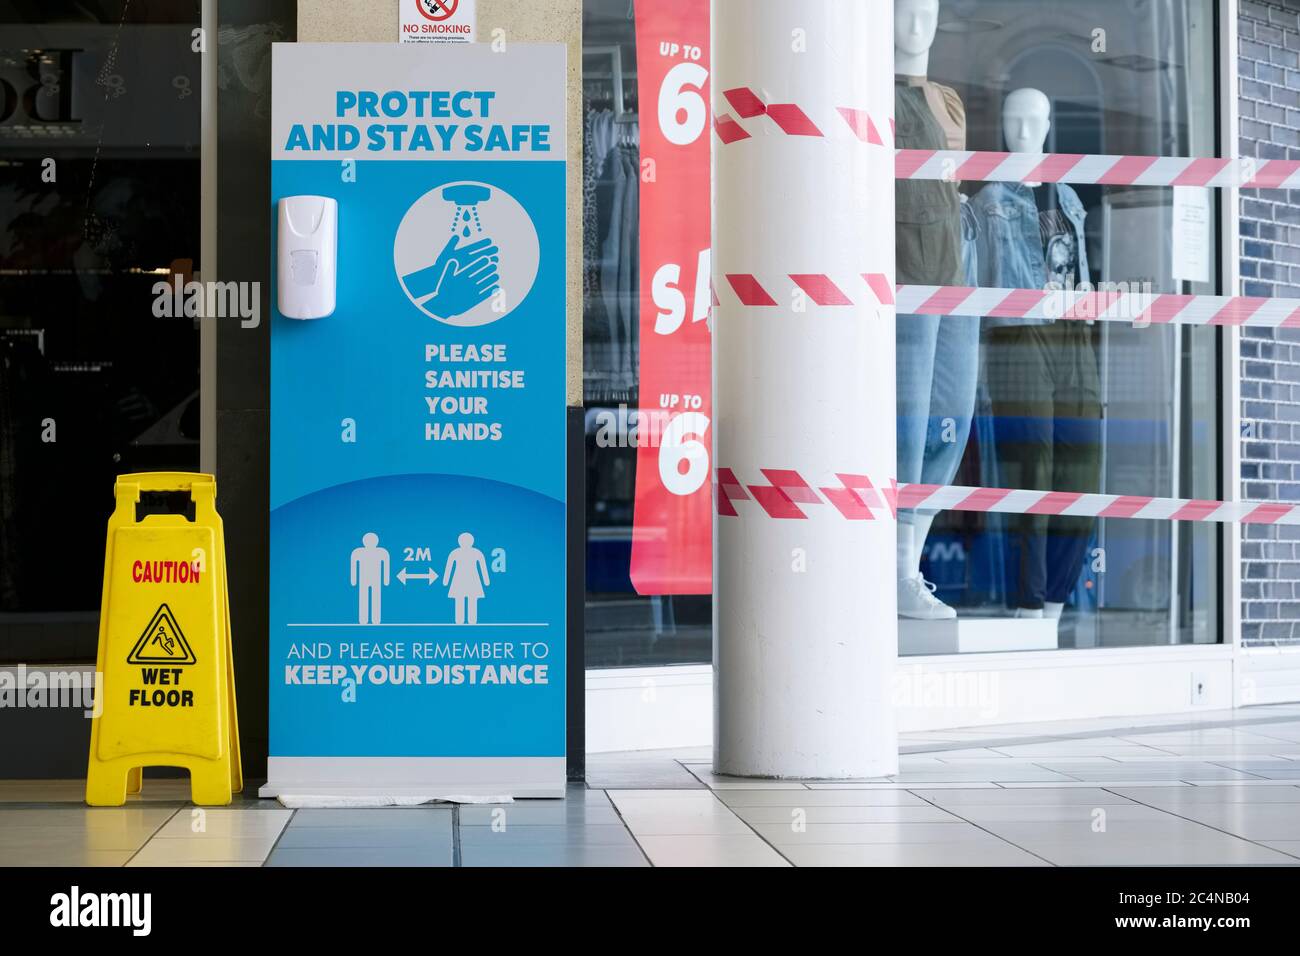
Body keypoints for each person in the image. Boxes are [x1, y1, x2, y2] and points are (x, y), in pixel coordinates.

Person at [443, 532, 490, 625]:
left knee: (470, 600)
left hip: (471, 579)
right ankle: (461, 621)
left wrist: (486, 581)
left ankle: (470, 621)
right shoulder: (455, 552)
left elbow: (483, 567)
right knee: (461, 600)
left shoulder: (476, 552)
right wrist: (445, 580)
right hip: (460, 579)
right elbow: (449, 567)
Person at [350, 532, 389, 624]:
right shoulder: (358, 552)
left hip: (376, 579)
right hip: (363, 579)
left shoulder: (382, 552)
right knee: (363, 598)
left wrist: (386, 580)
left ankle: (376, 620)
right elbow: (353, 566)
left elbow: (386, 566)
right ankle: (363, 620)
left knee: (376, 598)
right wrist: (353, 580)